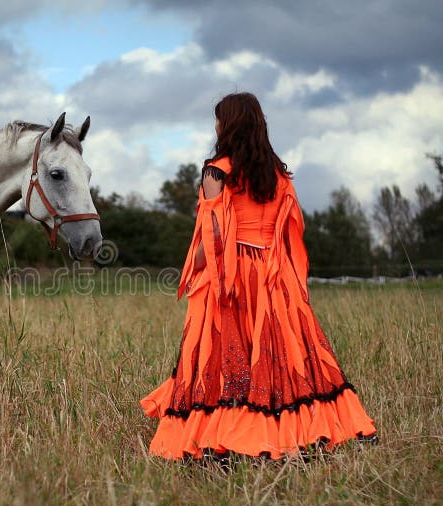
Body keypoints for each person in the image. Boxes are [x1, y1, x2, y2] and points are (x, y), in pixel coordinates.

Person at [140, 93, 377, 460]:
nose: (215, 126)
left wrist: (193, 264)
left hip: (232, 275)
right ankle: (306, 429)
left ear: (228, 125)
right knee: (281, 355)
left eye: (218, 119)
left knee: (226, 358)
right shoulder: (278, 174)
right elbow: (289, 231)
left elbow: (215, 236)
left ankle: (226, 434)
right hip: (273, 276)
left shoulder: (216, 171)